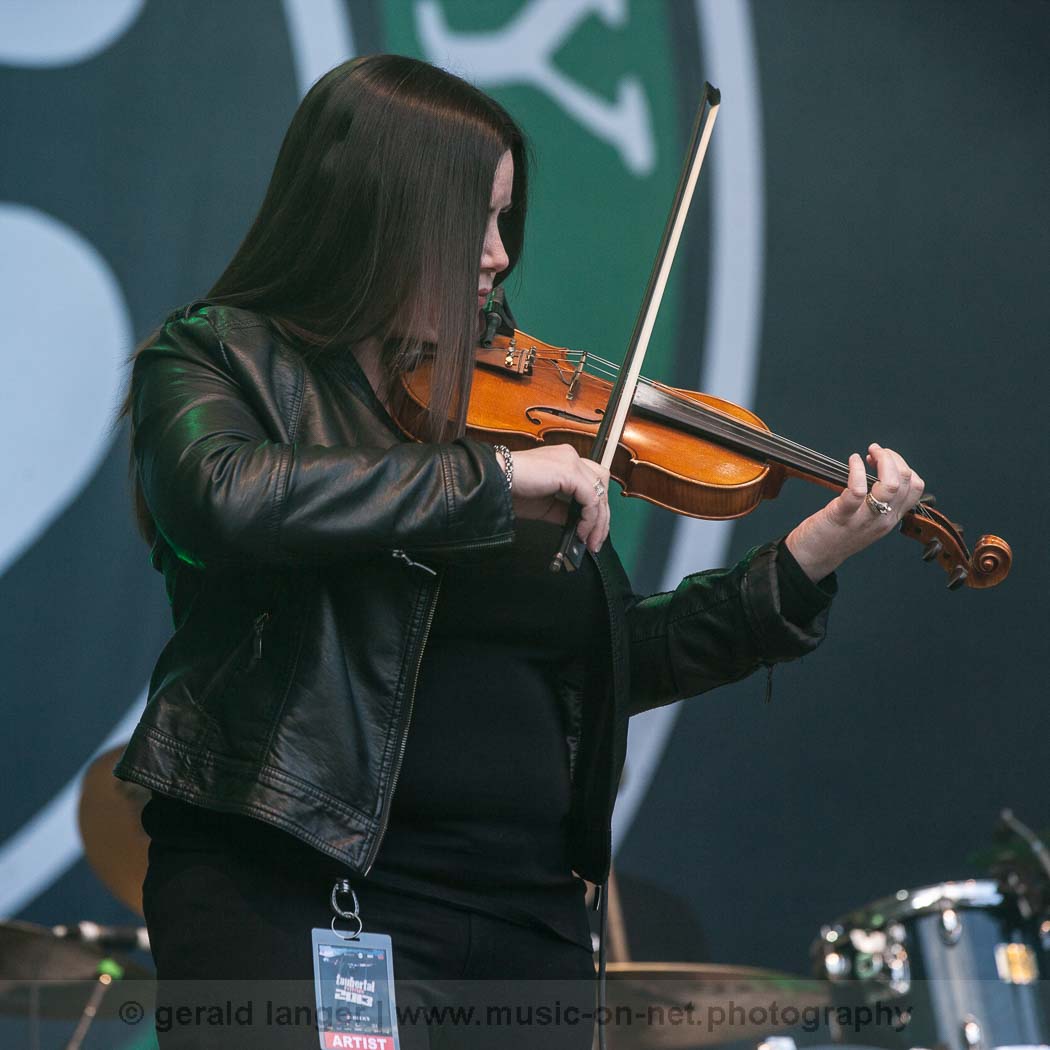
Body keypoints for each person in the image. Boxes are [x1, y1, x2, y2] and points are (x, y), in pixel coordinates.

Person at [114, 54, 924, 1049]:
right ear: (373, 213)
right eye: (472, 224)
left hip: (523, 920)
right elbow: (221, 497)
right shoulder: (219, 357)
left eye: (505, 221)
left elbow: (598, 667)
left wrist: (802, 563)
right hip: (298, 888)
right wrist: (488, 484)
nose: (498, 257)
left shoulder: (485, 399)